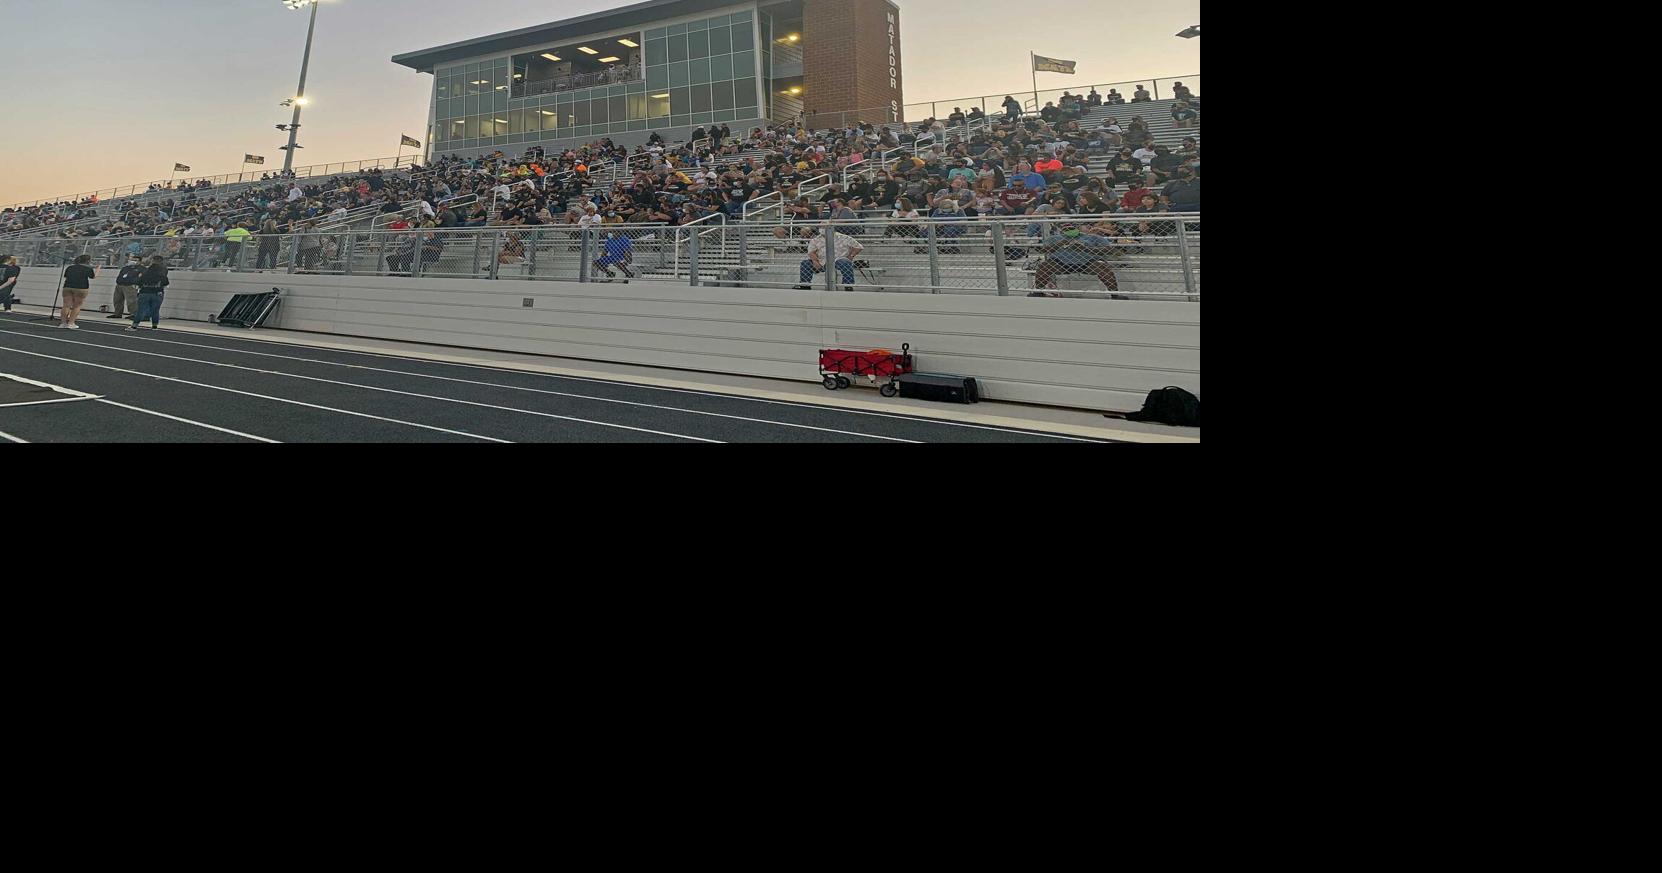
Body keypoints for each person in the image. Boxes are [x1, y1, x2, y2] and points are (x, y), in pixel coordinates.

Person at [1032, 226, 1123, 293]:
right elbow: (1043, 250)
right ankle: (1038, 292)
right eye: (1065, 225)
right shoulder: (1054, 238)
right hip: (1060, 263)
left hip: (1087, 263)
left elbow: (1110, 250)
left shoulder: (1092, 237)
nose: (1068, 227)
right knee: (1043, 266)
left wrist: (1085, 249)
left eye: (1071, 225)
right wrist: (1061, 243)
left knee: (1103, 267)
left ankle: (1115, 294)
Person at [797, 227, 863, 291]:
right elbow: (811, 252)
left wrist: (850, 256)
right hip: (821, 261)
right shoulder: (816, 239)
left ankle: (848, 285)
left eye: (824, 226)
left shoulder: (844, 237)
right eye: (821, 226)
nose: (822, 228)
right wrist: (815, 261)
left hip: (838, 260)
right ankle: (805, 284)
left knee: (845, 262)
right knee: (805, 263)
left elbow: (858, 247)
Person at [127, 256, 169, 331]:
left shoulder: (146, 271)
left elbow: (138, 283)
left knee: (141, 310)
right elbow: (166, 284)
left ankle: (134, 326)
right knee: (155, 310)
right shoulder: (163, 272)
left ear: (152, 261)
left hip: (145, 292)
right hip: (157, 293)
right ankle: (154, 326)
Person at [57, 254, 96, 329]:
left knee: (66, 305)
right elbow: (92, 276)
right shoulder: (88, 268)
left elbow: (66, 276)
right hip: (81, 287)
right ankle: (71, 323)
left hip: (68, 286)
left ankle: (63, 323)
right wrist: (97, 270)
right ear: (87, 261)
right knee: (77, 306)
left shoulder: (70, 267)